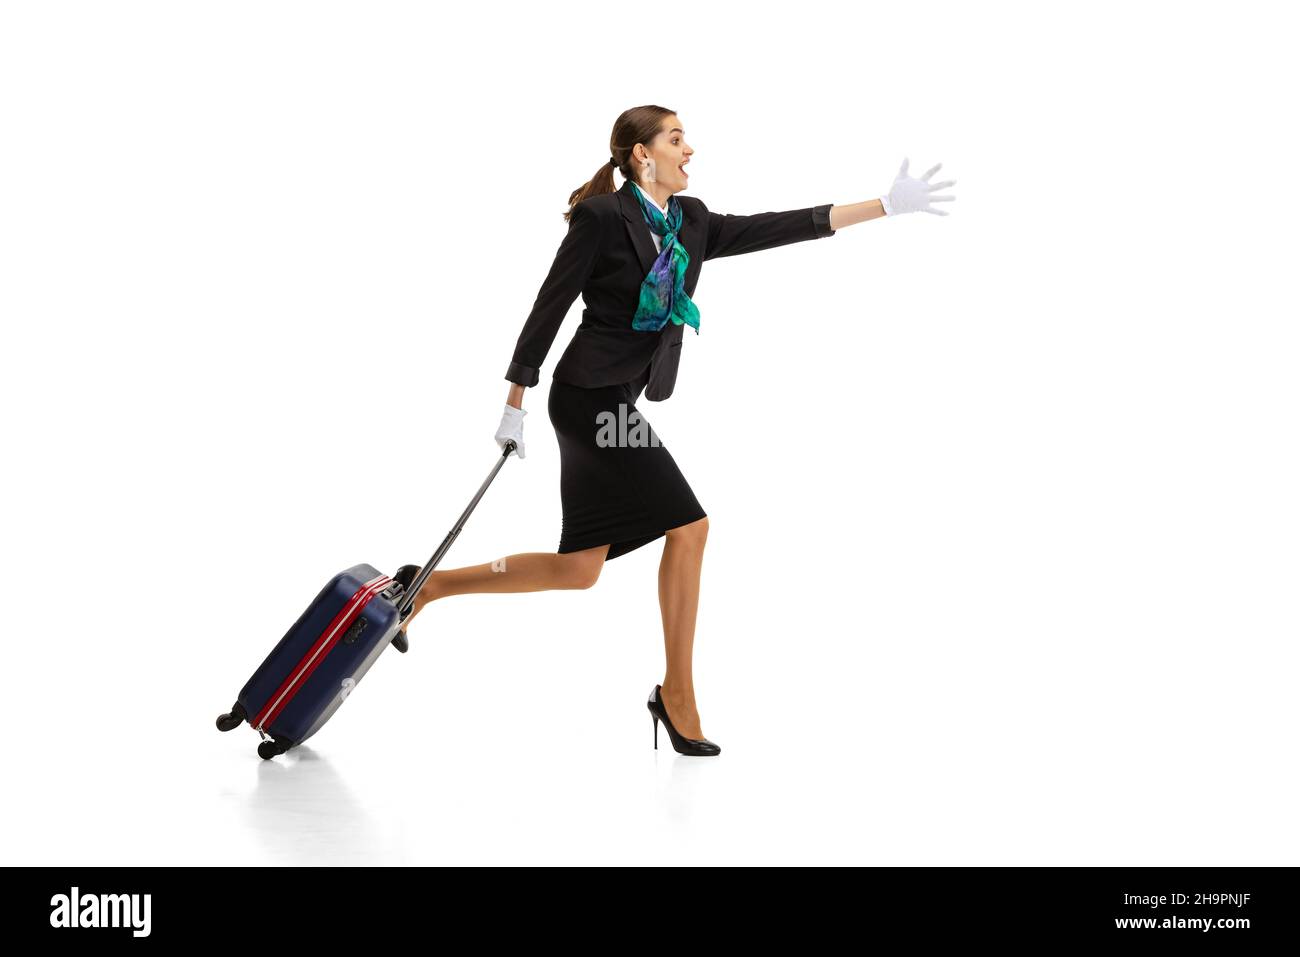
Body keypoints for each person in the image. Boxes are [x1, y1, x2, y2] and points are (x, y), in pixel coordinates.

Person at [398, 105, 956, 755]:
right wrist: (515, 401)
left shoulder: (689, 222)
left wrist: (885, 204)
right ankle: (677, 693)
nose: (689, 149)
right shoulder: (603, 218)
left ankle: (426, 583)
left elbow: (776, 227)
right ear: (641, 155)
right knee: (689, 526)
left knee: (580, 568)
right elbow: (550, 302)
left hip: (616, 397)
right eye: (675, 138)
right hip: (591, 399)